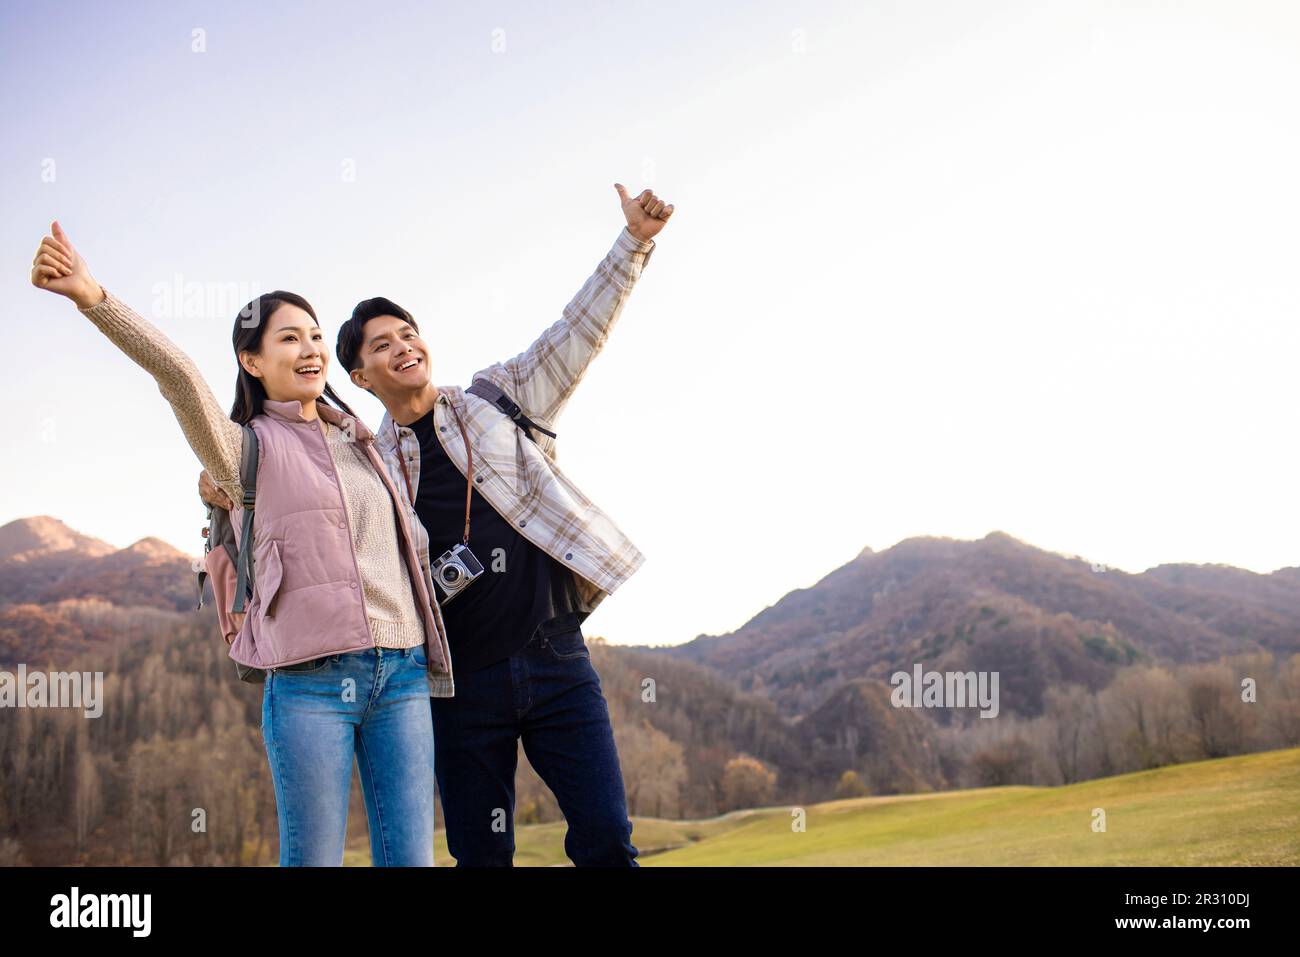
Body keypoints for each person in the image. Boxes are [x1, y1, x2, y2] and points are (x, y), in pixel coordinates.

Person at [202, 182, 674, 865]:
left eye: (407, 334)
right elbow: (282, 493)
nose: (402, 348)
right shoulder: (365, 458)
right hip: (455, 685)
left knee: (606, 839)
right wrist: (218, 494)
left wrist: (633, 242)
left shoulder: (498, 398)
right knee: (481, 857)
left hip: (556, 658)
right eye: (380, 345)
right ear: (359, 376)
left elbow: (576, 334)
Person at [30, 221, 454, 866]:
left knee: (411, 861)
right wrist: (94, 297)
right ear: (252, 362)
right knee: (311, 860)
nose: (310, 347)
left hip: (400, 674)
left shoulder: (366, 443)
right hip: (309, 683)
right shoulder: (241, 448)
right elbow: (178, 377)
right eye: (289, 337)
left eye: (315, 335)